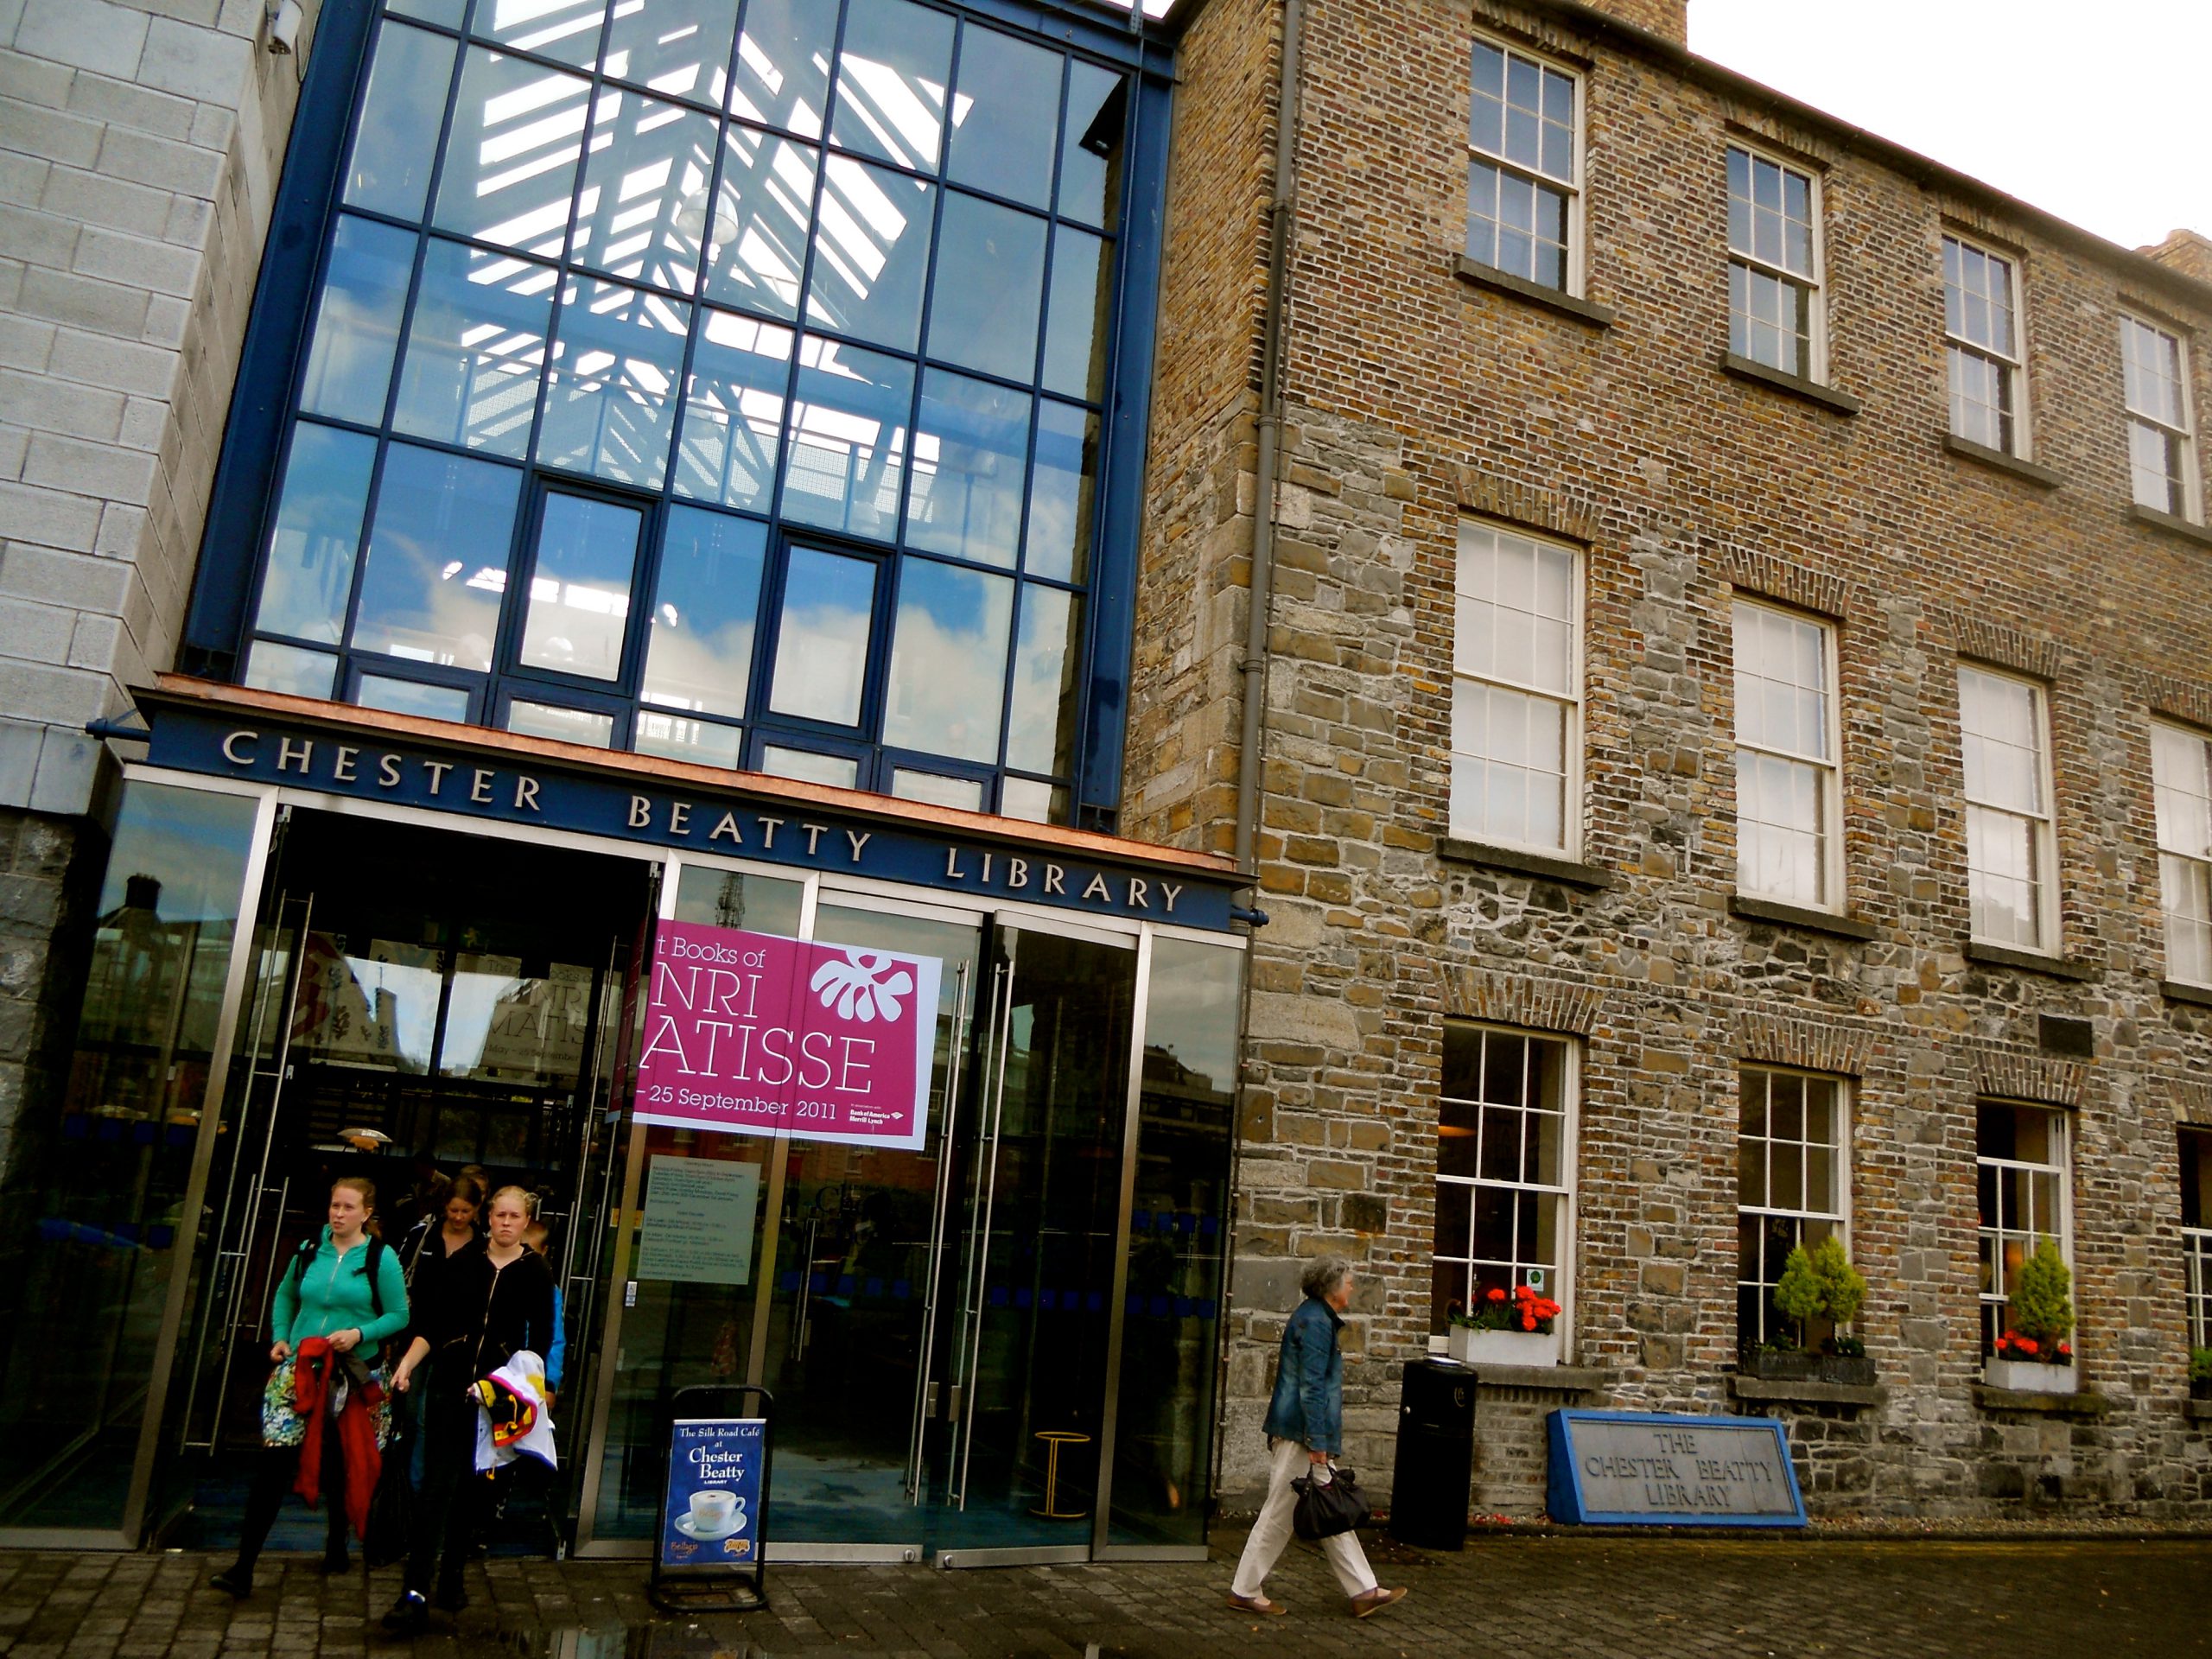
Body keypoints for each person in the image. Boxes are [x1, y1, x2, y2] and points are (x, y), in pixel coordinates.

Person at [211, 1177, 409, 1597]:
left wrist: (359, 1331)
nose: (338, 1214)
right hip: (299, 1370)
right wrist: (280, 1335)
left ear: (366, 1213)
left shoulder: (380, 1258)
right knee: (273, 1466)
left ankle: (338, 1543)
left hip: (351, 1376)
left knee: (339, 1463)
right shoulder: (307, 1252)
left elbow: (399, 1314)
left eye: (348, 1207)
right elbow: (284, 1296)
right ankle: (243, 1567)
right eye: (334, 1205)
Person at [382, 1185, 557, 1631]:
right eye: (499, 1214)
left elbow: (538, 1340)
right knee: (436, 1487)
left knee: (474, 1489)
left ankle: (453, 1576)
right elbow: (431, 1324)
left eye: (514, 1217)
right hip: (449, 1386)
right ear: (489, 1217)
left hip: (497, 1396)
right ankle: (414, 1591)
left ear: (525, 1222)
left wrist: (528, 1389)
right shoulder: (462, 1263)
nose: (504, 1223)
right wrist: (407, 1364)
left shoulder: (536, 1272)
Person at [1227, 1254, 1406, 1619]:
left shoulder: (1315, 1318)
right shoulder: (1316, 1323)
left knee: (1328, 1508)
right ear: (1331, 1287)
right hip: (1301, 1436)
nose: (1352, 1285)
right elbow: (1311, 1388)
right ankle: (1244, 1590)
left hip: (1301, 1434)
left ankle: (1363, 1590)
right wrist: (1318, 1443)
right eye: (1348, 1280)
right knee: (1283, 1513)